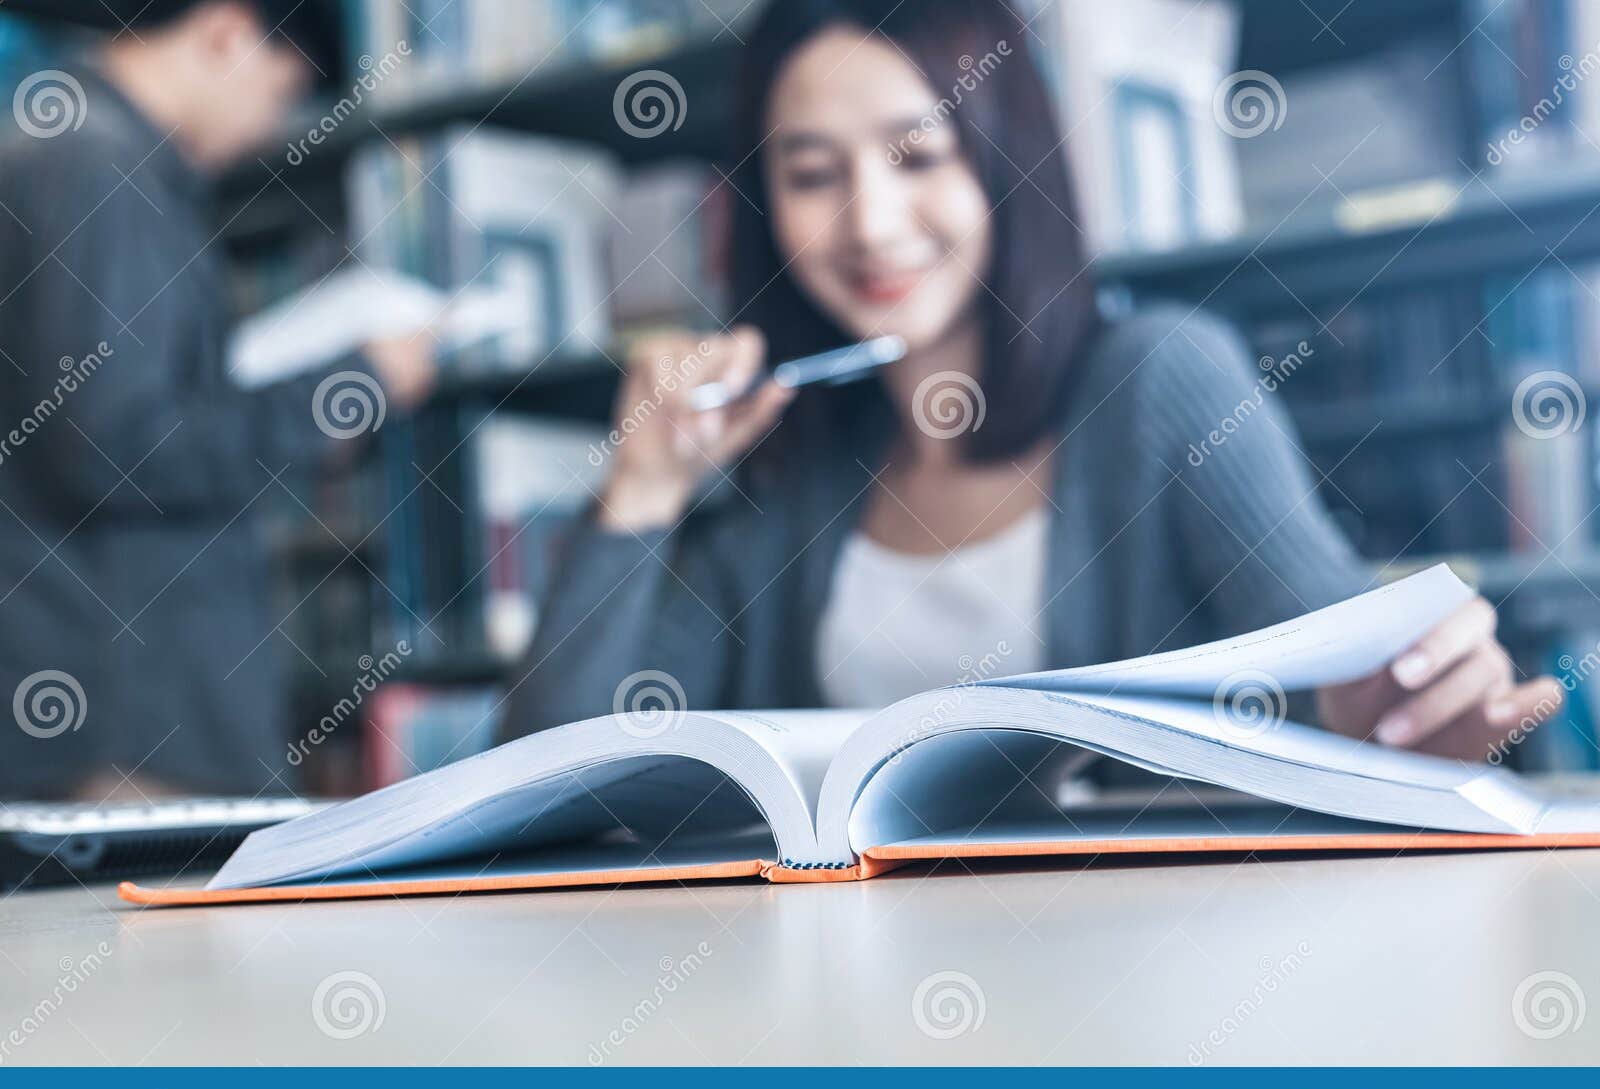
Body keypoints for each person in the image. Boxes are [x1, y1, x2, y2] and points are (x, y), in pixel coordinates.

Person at [503, 0, 1558, 764]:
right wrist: (637, 493)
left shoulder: (1158, 382)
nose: (868, 221)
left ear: (1003, 163)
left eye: (916, 157)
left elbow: (1330, 649)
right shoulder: (785, 471)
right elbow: (554, 775)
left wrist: (1399, 701)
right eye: (813, 174)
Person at [0, 0, 438, 801]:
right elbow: (113, 443)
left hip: (107, 705)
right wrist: (351, 386)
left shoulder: (68, 148)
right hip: (128, 729)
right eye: (280, 92)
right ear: (227, 33)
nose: (271, 129)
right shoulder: (100, 165)